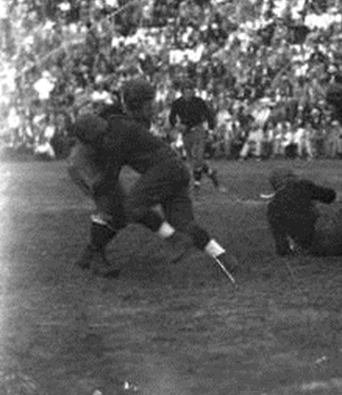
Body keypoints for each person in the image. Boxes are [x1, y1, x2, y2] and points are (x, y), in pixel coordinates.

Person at [88, 78, 238, 280]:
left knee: (131, 206)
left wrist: (99, 186)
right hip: (177, 170)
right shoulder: (127, 124)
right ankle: (223, 256)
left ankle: (175, 240)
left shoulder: (121, 127)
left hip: (165, 169)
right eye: (148, 103)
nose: (151, 108)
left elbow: (112, 168)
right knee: (184, 224)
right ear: (136, 103)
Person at [69, 112, 188, 278]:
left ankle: (90, 253)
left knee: (124, 211)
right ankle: (95, 256)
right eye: (101, 135)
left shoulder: (106, 130)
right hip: (89, 168)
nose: (106, 135)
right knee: (110, 207)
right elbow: (101, 181)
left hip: (100, 166)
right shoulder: (83, 156)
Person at [168, 81, 220, 191]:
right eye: (186, 90)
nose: (188, 93)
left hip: (198, 130)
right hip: (186, 133)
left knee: (198, 156)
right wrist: (177, 125)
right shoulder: (177, 103)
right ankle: (210, 172)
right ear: (182, 92)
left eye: (190, 90)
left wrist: (210, 131)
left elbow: (208, 115)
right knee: (193, 159)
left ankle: (197, 184)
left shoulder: (199, 102)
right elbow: (171, 118)